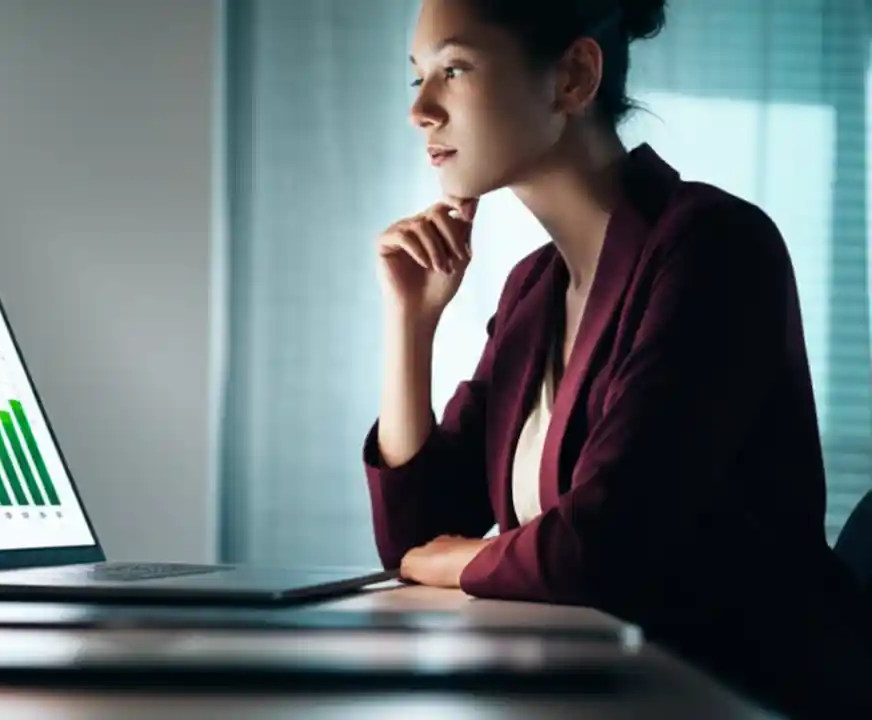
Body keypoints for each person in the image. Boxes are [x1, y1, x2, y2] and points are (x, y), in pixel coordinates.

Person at [363, 0, 872, 715]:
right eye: (418, 76)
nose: (420, 109)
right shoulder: (533, 290)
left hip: (731, 694)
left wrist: (462, 558)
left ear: (573, 77)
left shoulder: (714, 246)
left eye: (455, 69)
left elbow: (606, 546)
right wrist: (410, 325)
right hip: (589, 689)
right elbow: (414, 540)